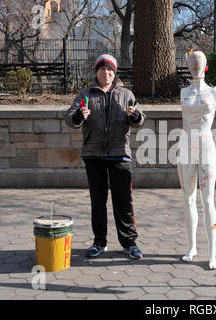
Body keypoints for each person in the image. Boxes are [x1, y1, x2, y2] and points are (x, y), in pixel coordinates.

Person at [65, 54, 145, 259]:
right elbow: (69, 119)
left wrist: (134, 115)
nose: (106, 73)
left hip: (120, 154)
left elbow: (140, 119)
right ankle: (99, 242)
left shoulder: (126, 94)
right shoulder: (85, 94)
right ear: (96, 71)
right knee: (97, 201)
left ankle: (129, 243)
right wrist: (78, 116)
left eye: (109, 70)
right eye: (102, 69)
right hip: (94, 155)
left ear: (114, 72)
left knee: (124, 201)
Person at [177, 50, 216, 269]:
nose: (195, 66)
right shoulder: (184, 91)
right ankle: (192, 246)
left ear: (206, 66)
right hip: (186, 148)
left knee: (208, 200)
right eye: (192, 62)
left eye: (199, 62)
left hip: (206, 147)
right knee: (188, 199)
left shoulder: (213, 91)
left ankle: (212, 254)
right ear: (187, 65)